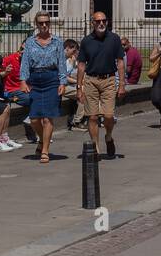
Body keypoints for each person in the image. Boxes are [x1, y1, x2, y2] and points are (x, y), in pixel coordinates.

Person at [77, 11, 126, 160]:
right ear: (93, 23)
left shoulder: (114, 39)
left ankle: (109, 136)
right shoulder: (86, 41)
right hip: (91, 80)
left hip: (109, 80)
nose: (101, 24)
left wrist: (122, 84)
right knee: (92, 117)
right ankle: (96, 148)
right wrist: (79, 87)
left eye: (104, 21)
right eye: (98, 21)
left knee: (108, 116)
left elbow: (120, 62)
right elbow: (80, 65)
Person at [20, 11, 65, 163]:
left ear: (49, 23)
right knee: (34, 118)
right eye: (41, 23)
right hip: (35, 79)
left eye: (46, 22)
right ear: (37, 24)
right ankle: (41, 139)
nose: (44, 25)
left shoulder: (57, 41)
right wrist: (23, 81)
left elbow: (62, 64)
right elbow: (25, 62)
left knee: (48, 117)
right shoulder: (31, 42)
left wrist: (62, 82)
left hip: (51, 78)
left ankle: (45, 149)